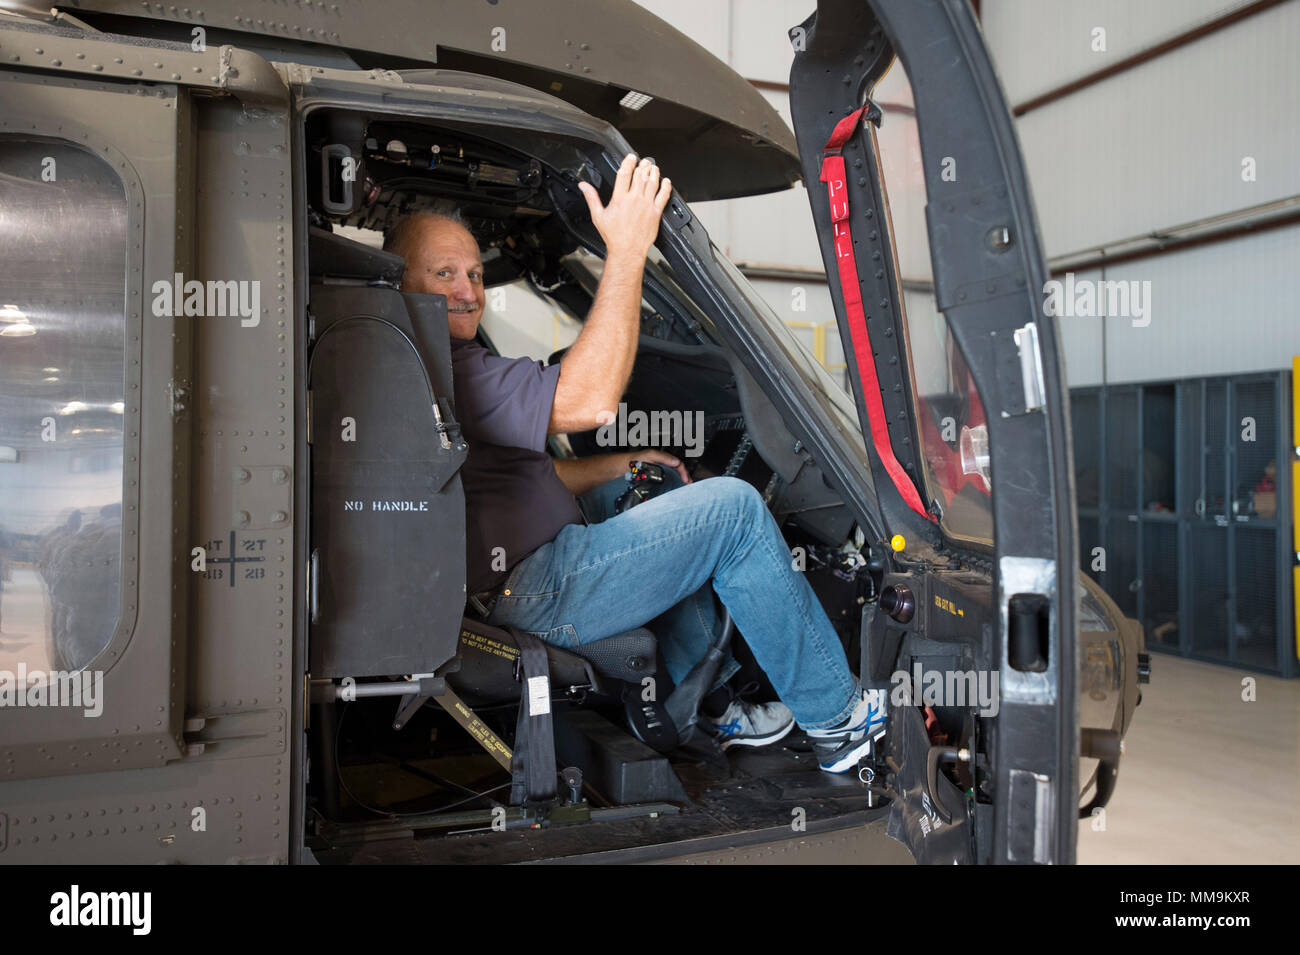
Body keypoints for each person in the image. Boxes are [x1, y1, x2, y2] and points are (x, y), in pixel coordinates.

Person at [384, 153, 884, 772]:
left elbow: (503, 483)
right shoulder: (455, 371)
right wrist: (626, 252)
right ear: (399, 283)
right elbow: (592, 400)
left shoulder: (424, 362)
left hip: (522, 570)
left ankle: (710, 702)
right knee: (733, 511)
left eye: (475, 275)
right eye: (444, 274)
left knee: (649, 483)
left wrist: (618, 465)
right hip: (533, 588)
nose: (468, 293)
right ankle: (839, 721)